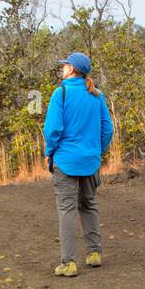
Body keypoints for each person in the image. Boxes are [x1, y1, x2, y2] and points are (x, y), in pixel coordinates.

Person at [43, 52, 114, 277]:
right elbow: (108, 129)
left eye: (64, 65)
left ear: (72, 69)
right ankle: (94, 254)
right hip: (90, 161)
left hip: (66, 161)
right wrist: (96, 151)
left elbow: (53, 130)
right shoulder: (97, 95)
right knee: (89, 205)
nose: (62, 69)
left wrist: (50, 153)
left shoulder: (60, 93)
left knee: (67, 210)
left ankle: (69, 263)